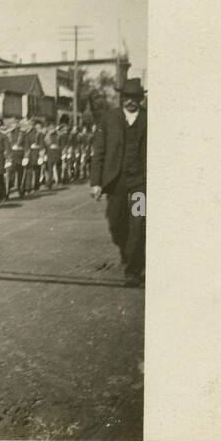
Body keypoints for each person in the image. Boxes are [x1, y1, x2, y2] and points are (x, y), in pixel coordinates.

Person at [90, 78, 147, 285]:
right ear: (122, 98)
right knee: (116, 224)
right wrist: (96, 182)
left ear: (141, 99)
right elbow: (99, 152)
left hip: (141, 184)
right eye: (127, 97)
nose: (131, 101)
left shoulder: (149, 120)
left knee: (139, 222)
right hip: (116, 183)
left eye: (135, 98)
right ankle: (128, 252)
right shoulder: (109, 119)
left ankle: (133, 269)